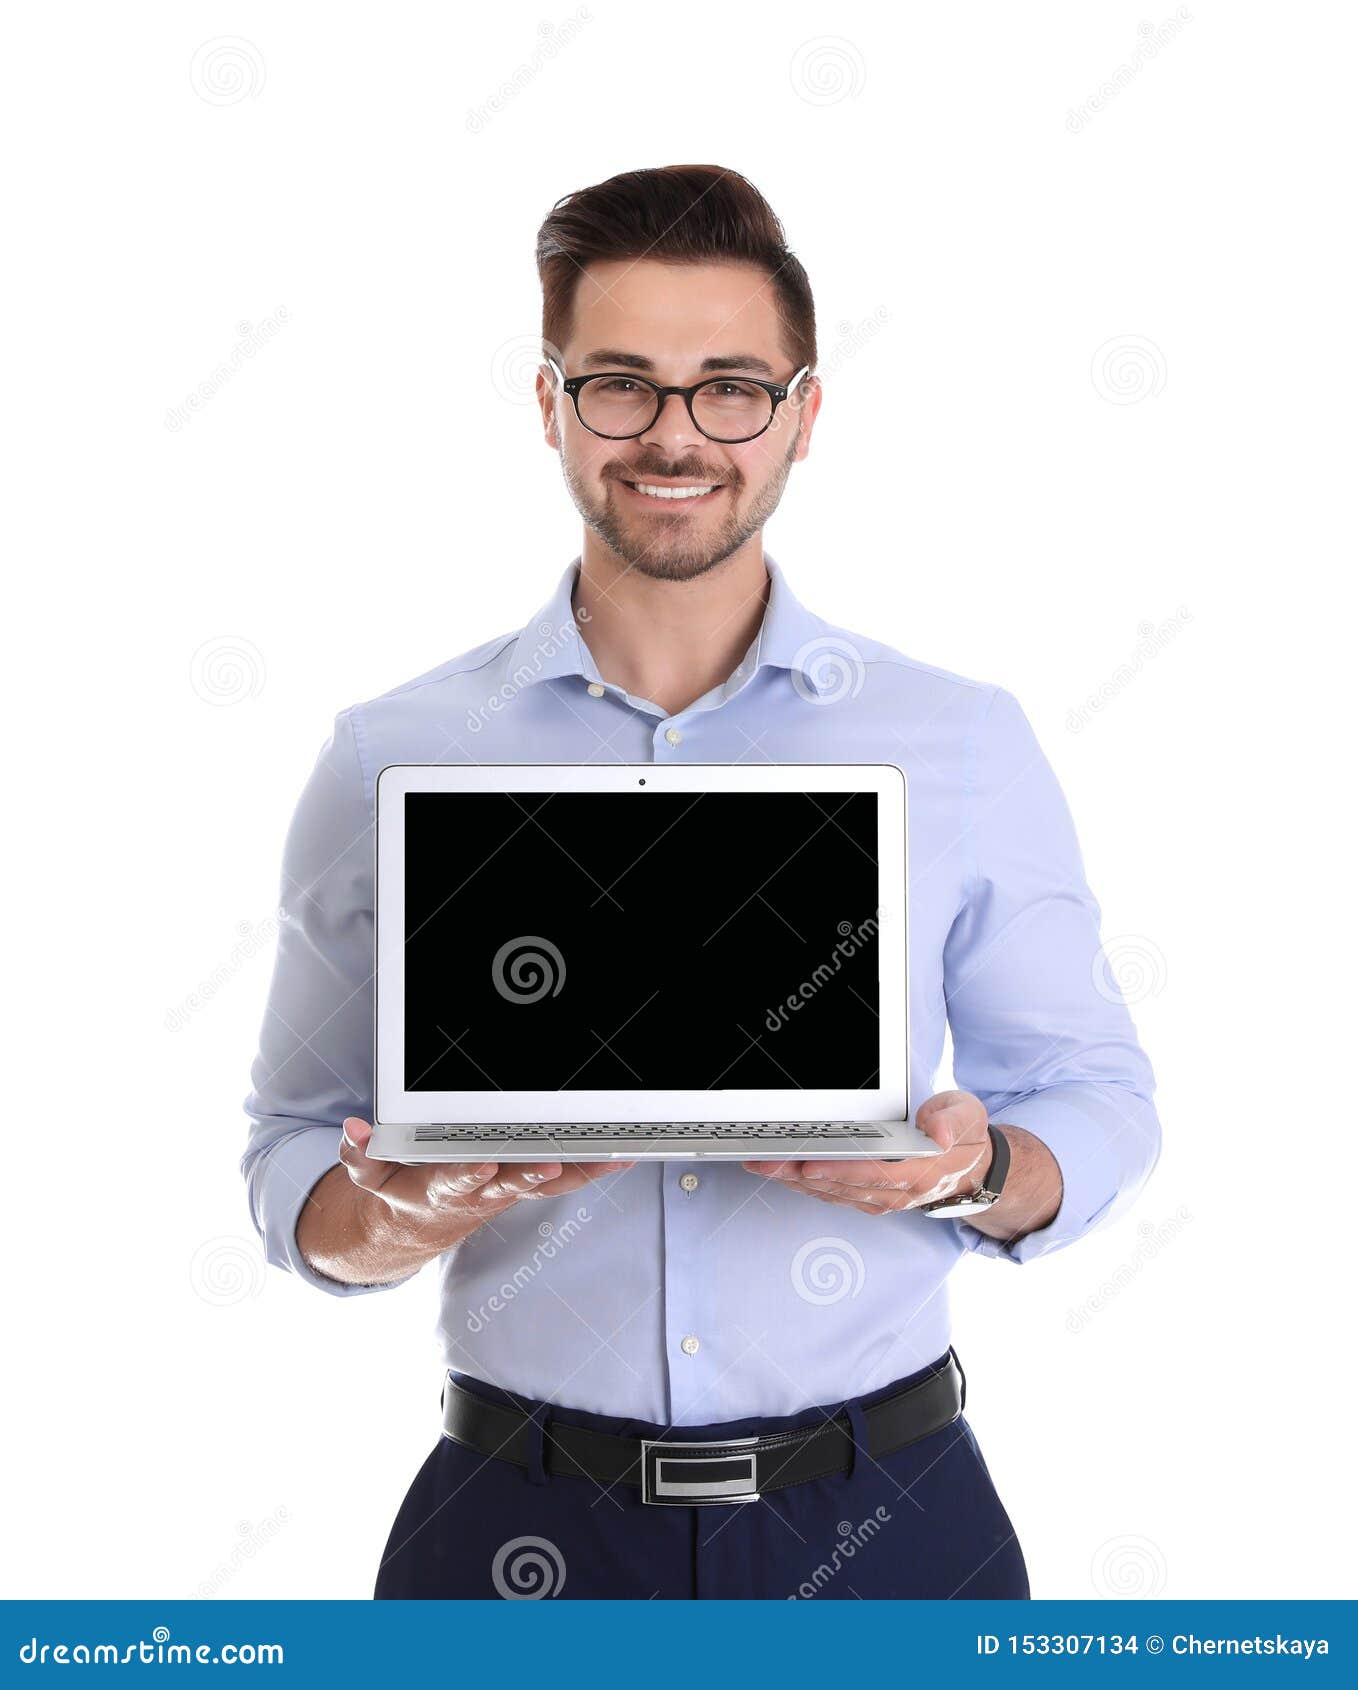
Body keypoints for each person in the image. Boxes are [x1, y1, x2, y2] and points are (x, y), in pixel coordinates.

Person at [241, 164, 1160, 1601]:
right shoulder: (390, 753)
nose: (675, 434)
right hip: (510, 1527)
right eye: (621, 384)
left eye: (730, 386)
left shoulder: (960, 739)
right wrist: (388, 1218)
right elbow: (295, 1144)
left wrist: (972, 1170)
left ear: (802, 412)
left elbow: (1097, 1095)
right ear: (549, 403)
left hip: (885, 1520)